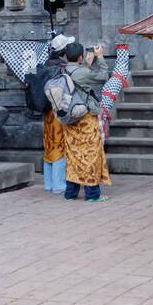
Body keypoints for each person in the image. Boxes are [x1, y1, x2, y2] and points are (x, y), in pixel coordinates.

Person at [62, 41, 112, 202]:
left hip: (69, 118)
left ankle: (71, 193)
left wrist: (88, 65)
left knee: (73, 154)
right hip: (85, 118)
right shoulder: (81, 72)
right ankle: (92, 194)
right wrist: (100, 57)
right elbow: (103, 76)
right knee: (90, 153)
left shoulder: (62, 70)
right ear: (80, 56)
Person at [40, 34, 75, 194]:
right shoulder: (61, 68)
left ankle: (48, 183)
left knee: (48, 144)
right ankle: (59, 184)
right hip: (58, 110)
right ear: (63, 52)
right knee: (59, 145)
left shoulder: (42, 65)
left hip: (46, 110)